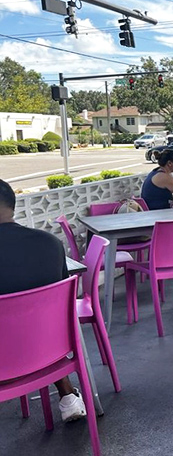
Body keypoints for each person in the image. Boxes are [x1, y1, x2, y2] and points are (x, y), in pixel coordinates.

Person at [0, 179, 87, 422]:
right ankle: (67, 395)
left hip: (4, 361)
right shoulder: (50, 243)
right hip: (49, 351)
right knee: (38, 321)